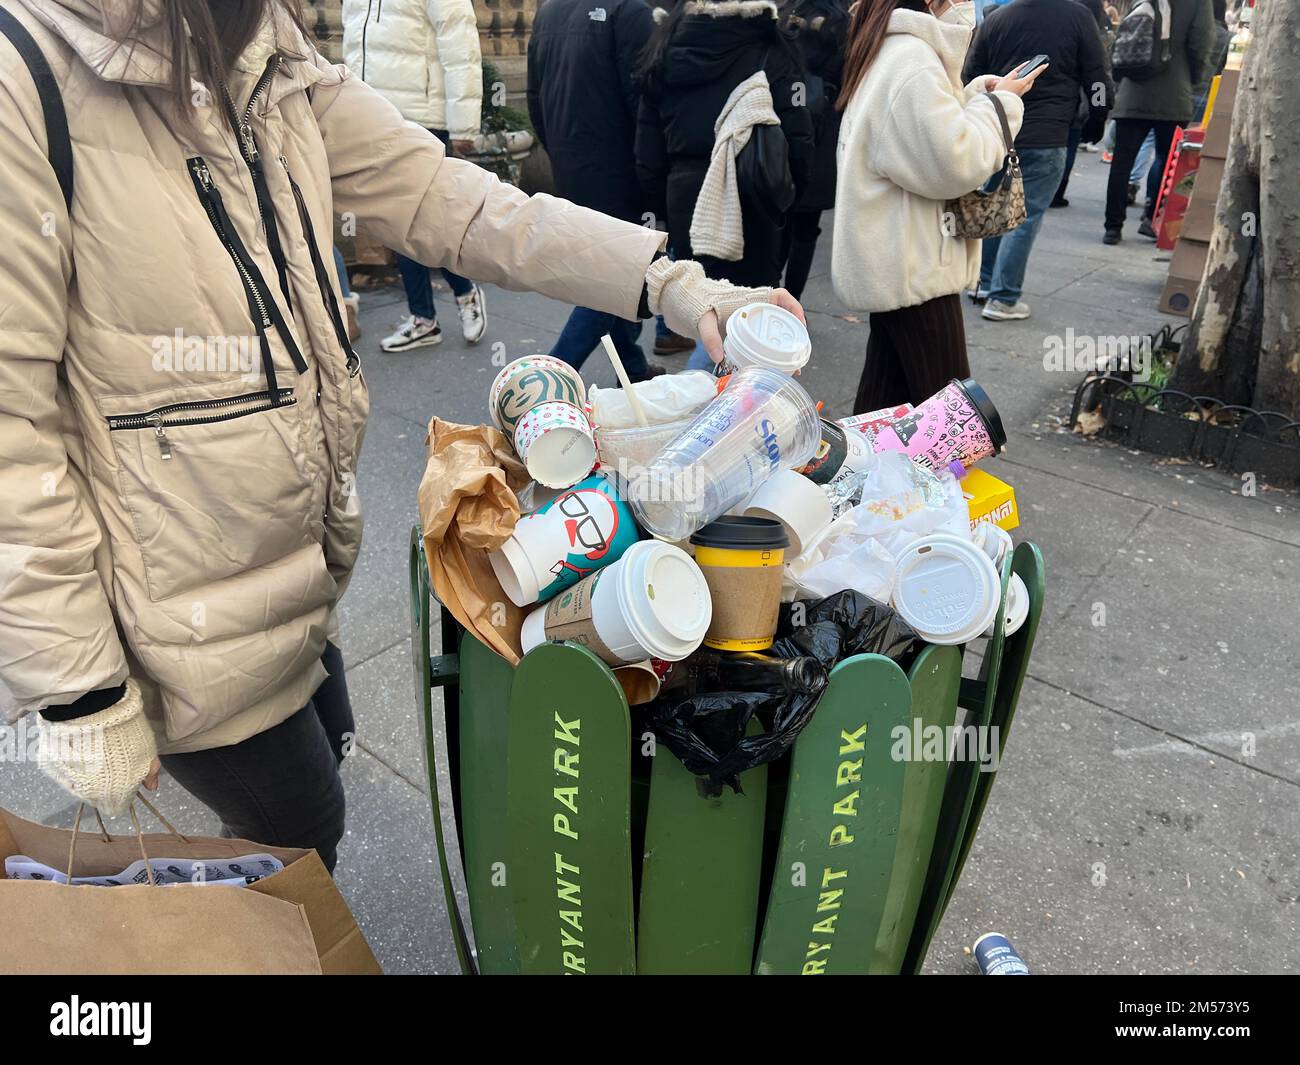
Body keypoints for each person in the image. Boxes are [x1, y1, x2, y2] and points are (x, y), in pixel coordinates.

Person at [0, 0, 802, 870]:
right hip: (163, 605)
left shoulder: (259, 48)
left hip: (294, 565)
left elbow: (461, 204)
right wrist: (78, 691)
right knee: (298, 837)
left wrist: (672, 282)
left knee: (317, 785)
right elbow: (12, 426)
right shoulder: (29, 74)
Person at [832, 0, 1039, 411]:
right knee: (952, 423)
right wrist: (1003, 106)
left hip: (899, 260)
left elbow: (921, 135)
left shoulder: (892, 48)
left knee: (883, 411)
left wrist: (980, 95)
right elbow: (955, 161)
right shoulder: (912, 58)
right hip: (915, 267)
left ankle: (857, 474)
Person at [636, 0, 815, 371]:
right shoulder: (769, 47)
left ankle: (703, 398)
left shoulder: (666, 46)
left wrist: (667, 206)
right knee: (751, 314)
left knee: (703, 302)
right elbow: (800, 140)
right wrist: (786, 198)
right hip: (754, 199)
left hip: (687, 198)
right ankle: (720, 404)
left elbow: (647, 151)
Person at [527, 0, 664, 381]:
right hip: (620, 170)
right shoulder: (631, 12)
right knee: (619, 276)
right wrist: (652, 171)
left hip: (571, 166)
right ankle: (548, 377)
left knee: (606, 271)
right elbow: (644, 104)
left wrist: (558, 151)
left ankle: (632, 366)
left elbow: (535, 97)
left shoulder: (550, 11)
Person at [342, 0, 489, 350]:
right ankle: (424, 318)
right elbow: (354, 48)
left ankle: (464, 293)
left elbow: (460, 43)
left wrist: (464, 123)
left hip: (422, 116)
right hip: (374, 116)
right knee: (397, 224)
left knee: (425, 220)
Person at [964, 0, 1111, 320]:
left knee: (994, 205)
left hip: (998, 128)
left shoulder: (996, 18)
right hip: (1047, 133)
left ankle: (983, 282)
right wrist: (1098, 117)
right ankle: (1003, 297)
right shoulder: (1077, 16)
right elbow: (1097, 75)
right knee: (1023, 216)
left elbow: (971, 74)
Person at [1102, 0, 1214, 244]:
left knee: (1122, 161)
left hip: (1134, 90)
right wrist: (1194, 77)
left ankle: (1113, 226)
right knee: (1168, 159)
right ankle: (1153, 219)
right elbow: (1201, 42)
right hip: (1174, 91)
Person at [780, 0, 849, 300]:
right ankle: (791, 301)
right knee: (807, 229)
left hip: (783, 126)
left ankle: (768, 294)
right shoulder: (842, 23)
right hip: (823, 133)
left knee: (779, 222)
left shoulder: (786, 16)